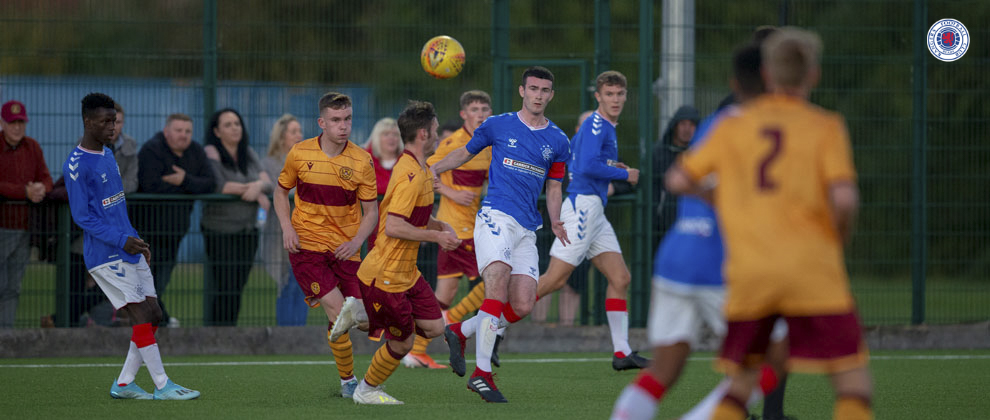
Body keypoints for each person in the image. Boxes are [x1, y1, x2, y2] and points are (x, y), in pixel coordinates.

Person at [666, 28, 873, 420]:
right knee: (853, 385)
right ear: (814, 74)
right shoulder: (825, 126)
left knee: (741, 387)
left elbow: (678, 179)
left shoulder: (732, 125)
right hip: (814, 270)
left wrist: (723, 201)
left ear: (766, 74)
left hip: (751, 273)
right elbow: (844, 199)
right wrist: (838, 238)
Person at [610, 42, 791, 420]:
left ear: (733, 82)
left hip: (676, 256)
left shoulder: (713, 125)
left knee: (663, 371)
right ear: (774, 79)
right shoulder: (780, 128)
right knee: (774, 362)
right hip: (723, 265)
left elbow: (677, 179)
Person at [431, 66, 571, 403]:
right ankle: (482, 376)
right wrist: (431, 169)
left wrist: (556, 221)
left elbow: (554, 188)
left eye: (545, 90)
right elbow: (464, 153)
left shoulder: (559, 140)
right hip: (495, 215)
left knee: (522, 304)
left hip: (527, 226)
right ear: (522, 91)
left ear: (551, 95)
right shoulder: (497, 124)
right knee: (496, 285)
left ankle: (461, 330)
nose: (538, 95)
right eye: (533, 88)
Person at [65, 92, 199, 400]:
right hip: (104, 253)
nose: (112, 127)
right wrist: (121, 239)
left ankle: (124, 383)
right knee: (139, 313)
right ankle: (163, 385)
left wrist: (135, 241)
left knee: (154, 314)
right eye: (105, 121)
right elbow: (83, 218)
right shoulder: (76, 164)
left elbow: (116, 208)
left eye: (114, 121)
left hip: (128, 246)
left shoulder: (109, 153)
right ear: (88, 122)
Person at [351, 100, 460, 405]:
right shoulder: (411, 175)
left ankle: (360, 312)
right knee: (403, 343)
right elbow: (395, 227)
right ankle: (367, 390)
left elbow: (418, 215)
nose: (439, 134)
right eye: (436, 129)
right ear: (424, 134)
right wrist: (436, 238)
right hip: (386, 275)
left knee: (436, 326)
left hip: (406, 272)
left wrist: (439, 226)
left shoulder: (422, 167)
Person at [274, 92, 378, 399]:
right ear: (322, 122)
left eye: (347, 119)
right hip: (307, 249)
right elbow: (281, 193)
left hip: (347, 251)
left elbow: (372, 211)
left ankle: (347, 378)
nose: (343, 126)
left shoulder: (362, 160)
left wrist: (357, 240)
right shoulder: (299, 152)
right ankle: (349, 382)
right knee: (337, 311)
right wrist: (287, 228)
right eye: (335, 120)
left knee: (360, 319)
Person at [402, 90, 494, 369]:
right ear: (464, 114)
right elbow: (425, 169)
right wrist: (452, 193)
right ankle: (455, 319)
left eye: (484, 109)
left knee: (444, 293)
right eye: (474, 109)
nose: (480, 114)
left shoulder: (489, 144)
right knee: (497, 280)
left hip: (461, 229)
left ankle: (416, 350)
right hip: (459, 229)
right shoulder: (453, 143)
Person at [45, 102, 139, 327]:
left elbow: (132, 183)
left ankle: (59, 321)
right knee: (75, 286)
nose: (113, 126)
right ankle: (66, 329)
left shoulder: (130, 148)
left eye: (117, 121)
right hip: (84, 231)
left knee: (117, 284)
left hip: (116, 230)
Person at [136, 113, 216, 327]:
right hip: (145, 232)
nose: (183, 135)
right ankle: (156, 323)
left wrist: (184, 179)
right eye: (178, 130)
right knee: (144, 284)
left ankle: (155, 323)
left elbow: (210, 183)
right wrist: (190, 187)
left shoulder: (196, 151)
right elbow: (150, 185)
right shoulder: (151, 150)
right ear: (167, 132)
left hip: (175, 233)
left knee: (158, 284)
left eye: (187, 131)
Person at [202, 108, 272, 326]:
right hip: (219, 229)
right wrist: (251, 190)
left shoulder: (248, 153)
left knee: (238, 284)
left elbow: (268, 182)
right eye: (228, 125)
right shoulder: (211, 152)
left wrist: (259, 186)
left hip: (248, 229)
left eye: (237, 123)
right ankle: (218, 331)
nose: (234, 128)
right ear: (217, 131)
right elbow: (218, 184)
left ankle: (229, 331)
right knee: (226, 284)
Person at [0, 100, 52, 327]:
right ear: (2, 123)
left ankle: (6, 335)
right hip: (1, 226)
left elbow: (46, 177)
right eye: (12, 123)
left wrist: (42, 189)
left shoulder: (33, 146)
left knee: (13, 286)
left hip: (23, 228)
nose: (17, 128)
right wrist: (24, 192)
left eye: (21, 122)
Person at [261, 114, 309, 326]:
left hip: (307, 230)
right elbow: (279, 189)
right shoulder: (270, 163)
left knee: (304, 282)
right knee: (286, 283)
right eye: (293, 132)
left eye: (299, 131)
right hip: (280, 231)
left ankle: (300, 331)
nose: (299, 135)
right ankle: (286, 331)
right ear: (281, 137)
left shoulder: (308, 161)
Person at [653, 104, 699, 241]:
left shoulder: (701, 154)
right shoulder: (658, 154)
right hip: (662, 225)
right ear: (675, 126)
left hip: (693, 223)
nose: (687, 129)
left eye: (692, 125)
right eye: (683, 124)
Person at [364, 117, 402, 250]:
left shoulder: (407, 161)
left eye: (395, 134)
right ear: (376, 138)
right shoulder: (364, 160)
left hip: (401, 230)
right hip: (370, 230)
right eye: (386, 134)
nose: (391, 138)